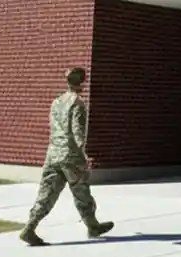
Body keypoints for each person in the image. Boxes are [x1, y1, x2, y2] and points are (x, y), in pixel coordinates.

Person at [20, 66, 114, 246]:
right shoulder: (77, 103)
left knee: (47, 193)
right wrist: (83, 153)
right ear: (82, 82)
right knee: (81, 192)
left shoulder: (57, 101)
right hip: (71, 156)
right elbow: (78, 132)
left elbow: (54, 128)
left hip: (53, 153)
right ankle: (92, 226)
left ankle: (30, 227)